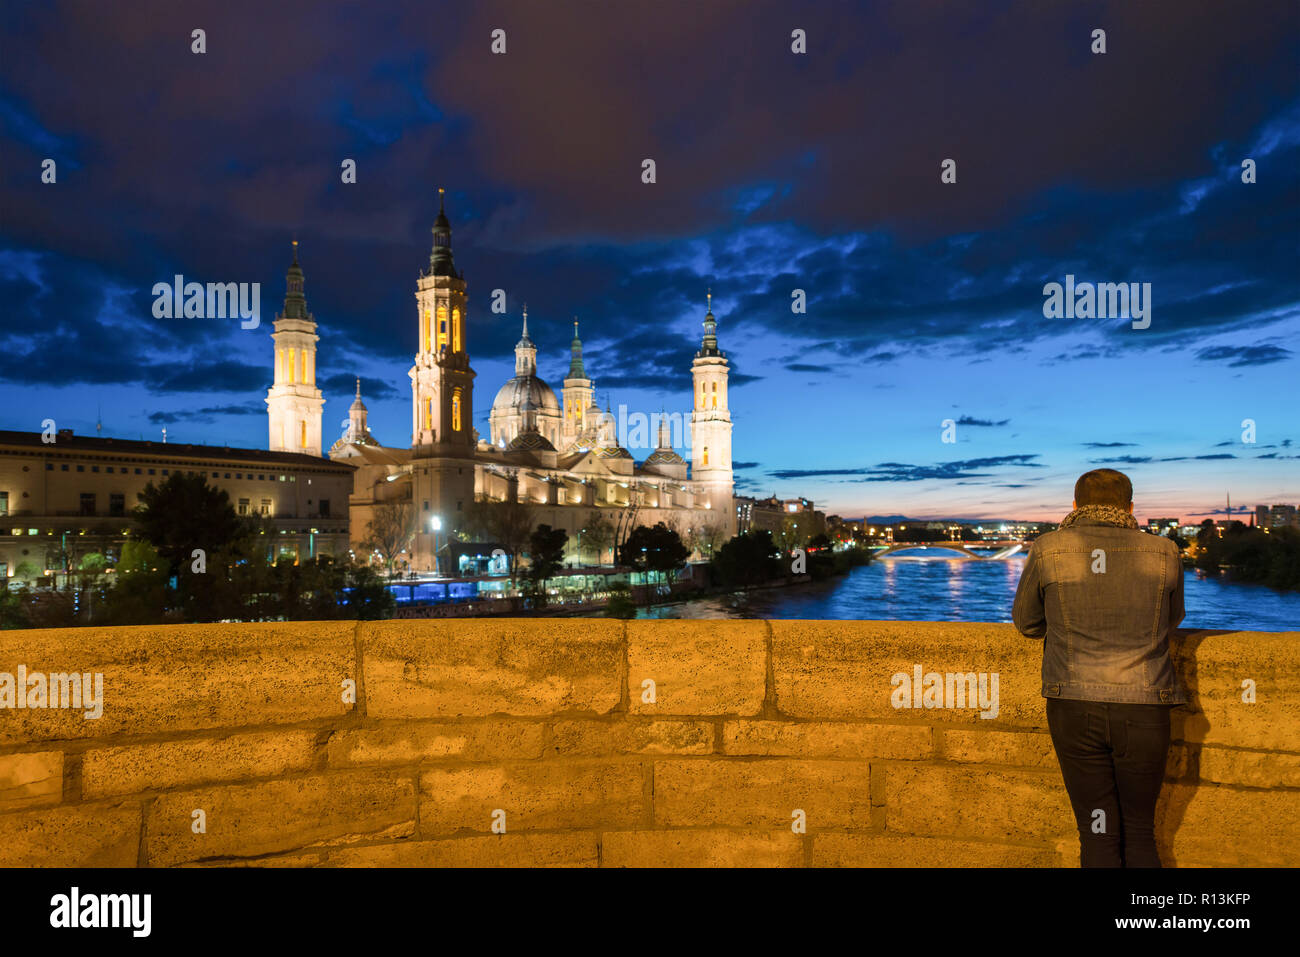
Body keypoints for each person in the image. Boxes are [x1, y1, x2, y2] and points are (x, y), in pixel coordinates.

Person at [1012, 468, 1186, 867]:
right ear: (1129, 507)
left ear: (1074, 506)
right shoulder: (1164, 551)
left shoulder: (1047, 548)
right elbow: (1172, 619)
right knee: (1141, 833)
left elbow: (1027, 624)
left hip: (1073, 706)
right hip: (1145, 705)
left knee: (1096, 832)